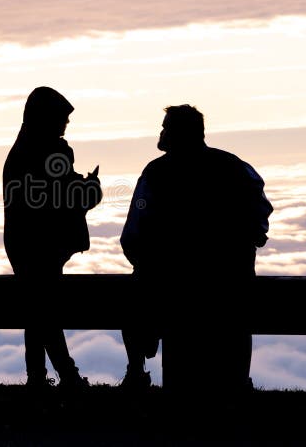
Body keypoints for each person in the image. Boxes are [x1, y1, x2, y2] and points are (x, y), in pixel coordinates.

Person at [120, 104, 273, 395]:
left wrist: (144, 261)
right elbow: (259, 216)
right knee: (232, 345)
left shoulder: (156, 173)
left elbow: (135, 225)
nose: (161, 132)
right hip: (230, 283)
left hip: (173, 285)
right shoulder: (235, 166)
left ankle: (138, 373)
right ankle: (236, 389)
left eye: (166, 127)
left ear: (178, 133)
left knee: (179, 370)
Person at [3, 86, 102, 390]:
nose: (65, 126)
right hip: (42, 244)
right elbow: (69, 198)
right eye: (62, 119)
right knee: (45, 311)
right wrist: (91, 187)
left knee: (37, 311)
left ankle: (38, 376)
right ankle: (67, 376)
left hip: (22, 242)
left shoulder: (22, 150)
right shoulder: (51, 151)